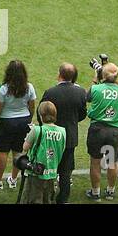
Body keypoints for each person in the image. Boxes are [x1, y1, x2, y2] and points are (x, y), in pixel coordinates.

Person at [40, 64, 86, 204]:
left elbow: (41, 113)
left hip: (51, 138)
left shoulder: (50, 92)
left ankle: (47, 198)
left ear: (59, 75)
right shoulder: (80, 92)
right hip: (69, 137)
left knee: (48, 168)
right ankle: (63, 200)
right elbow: (83, 114)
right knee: (65, 172)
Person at [85, 63, 118, 200]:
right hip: (115, 131)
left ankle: (95, 192)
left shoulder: (96, 89)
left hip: (98, 130)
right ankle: (110, 191)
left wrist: (95, 80)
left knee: (96, 161)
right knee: (111, 162)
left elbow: (87, 97)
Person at [0, 60, 35, 189]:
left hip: (6, 122)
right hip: (23, 121)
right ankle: (13, 179)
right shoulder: (29, 87)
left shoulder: (4, 89)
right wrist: (28, 119)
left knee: (3, 151)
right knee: (18, 151)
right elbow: (32, 106)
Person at [20, 101, 65, 204]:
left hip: (35, 172)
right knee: (48, 199)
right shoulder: (63, 131)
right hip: (52, 171)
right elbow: (61, 149)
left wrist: (28, 136)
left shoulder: (36, 130)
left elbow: (25, 147)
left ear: (40, 115)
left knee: (31, 199)